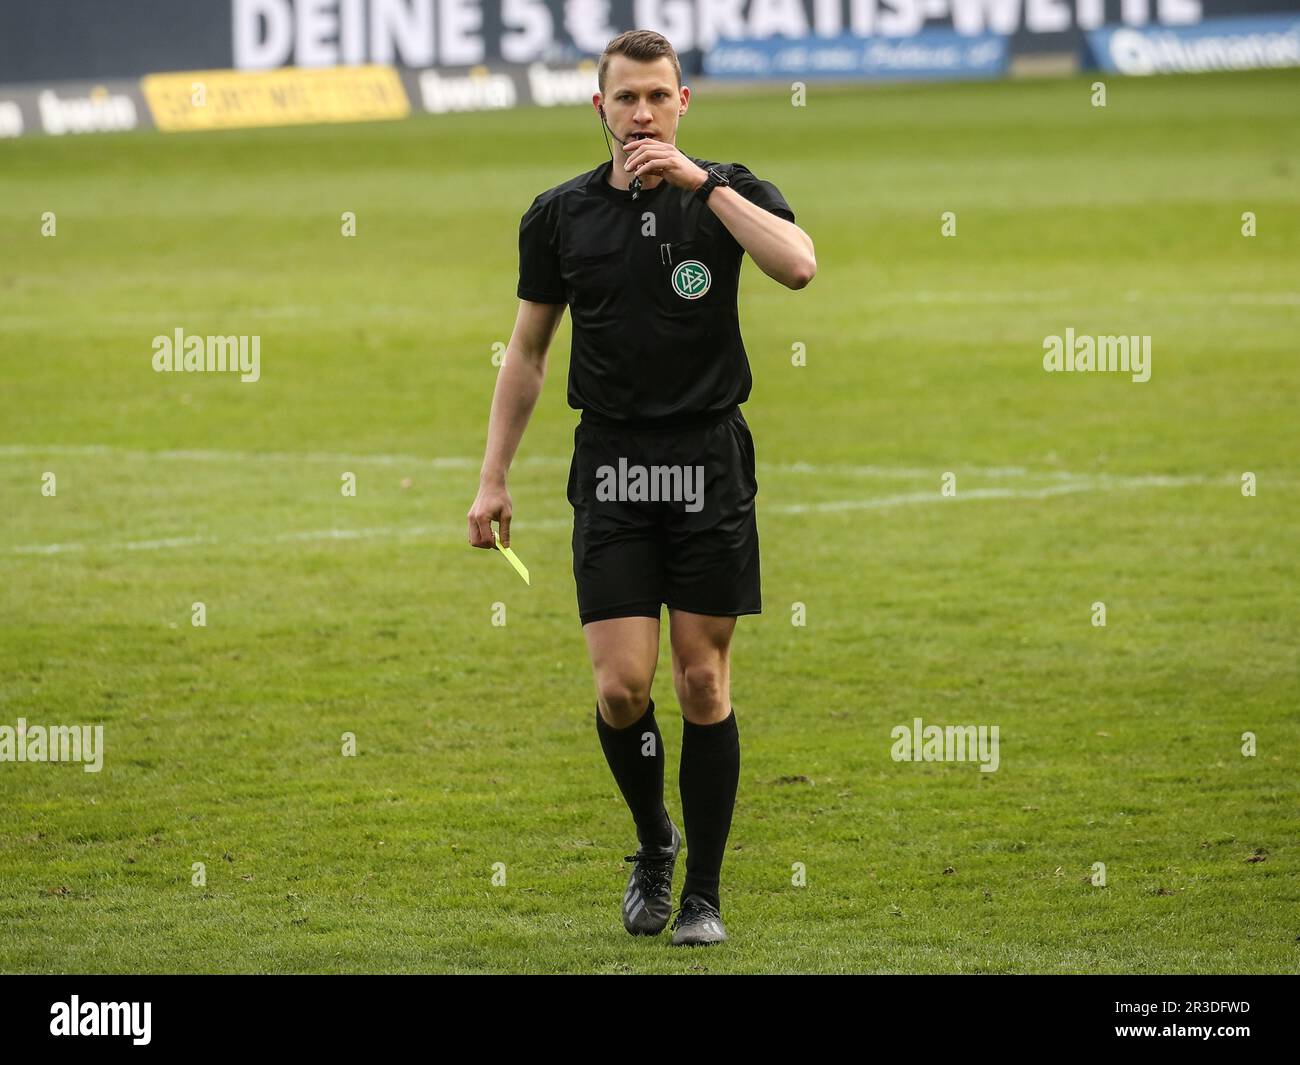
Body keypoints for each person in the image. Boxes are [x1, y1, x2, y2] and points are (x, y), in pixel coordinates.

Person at [467, 28, 815, 946]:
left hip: (708, 461)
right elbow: (529, 353)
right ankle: (654, 840)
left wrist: (703, 183)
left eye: (658, 96)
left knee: (703, 677)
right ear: (599, 108)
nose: (642, 113)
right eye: (625, 98)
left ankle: (702, 891)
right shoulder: (560, 215)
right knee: (623, 687)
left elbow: (799, 264)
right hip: (615, 466)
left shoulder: (730, 191)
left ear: (684, 101)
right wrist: (492, 478)